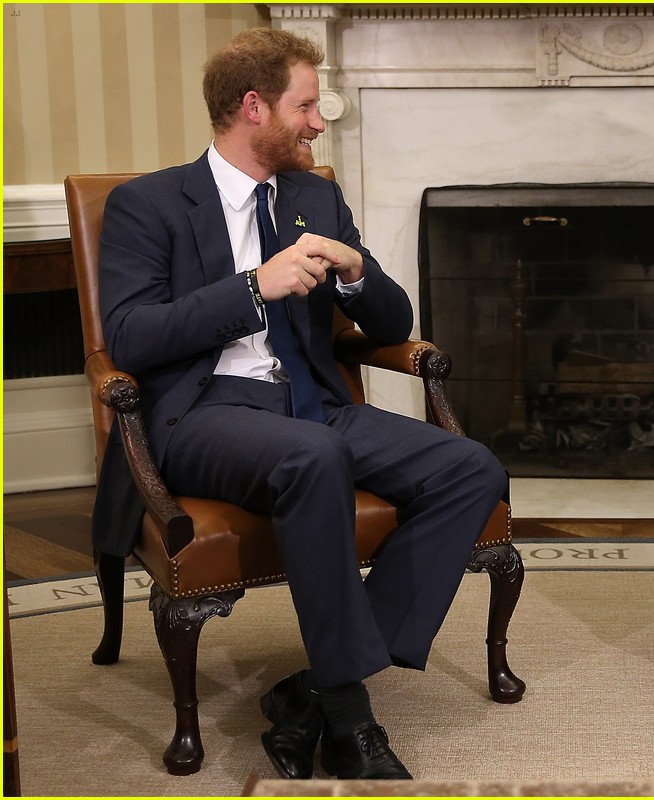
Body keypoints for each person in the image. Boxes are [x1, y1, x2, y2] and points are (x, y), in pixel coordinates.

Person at [94, 28, 508, 780]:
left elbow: (390, 324)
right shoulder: (147, 204)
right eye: (307, 105)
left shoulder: (317, 196)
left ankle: (310, 691)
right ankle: (350, 718)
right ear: (253, 107)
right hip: (200, 412)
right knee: (312, 456)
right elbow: (129, 334)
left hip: (312, 402)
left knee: (470, 468)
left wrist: (355, 273)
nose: (321, 122)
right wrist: (255, 287)